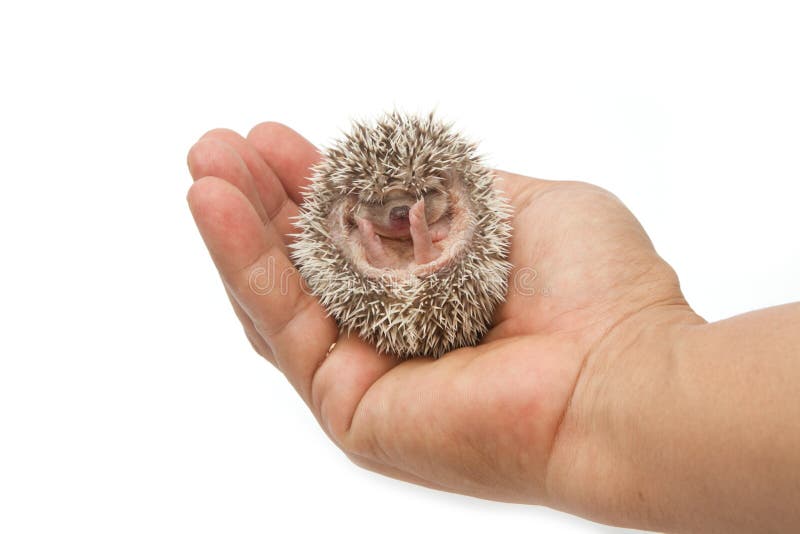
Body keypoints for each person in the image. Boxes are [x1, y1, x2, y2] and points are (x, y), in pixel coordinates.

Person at [186, 122, 800, 533]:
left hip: (427, 249)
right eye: (382, 218)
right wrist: (625, 373)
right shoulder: (352, 229)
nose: (402, 216)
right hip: (386, 256)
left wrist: (616, 372)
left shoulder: (459, 216)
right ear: (352, 218)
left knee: (418, 242)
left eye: (415, 207)